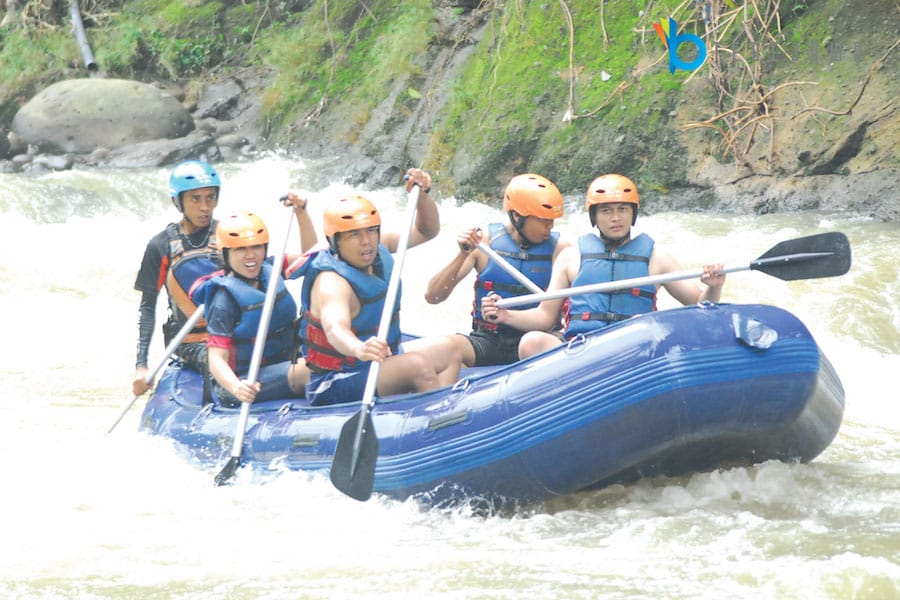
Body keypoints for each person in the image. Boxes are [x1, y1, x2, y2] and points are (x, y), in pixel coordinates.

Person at [482, 173, 726, 359]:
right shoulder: (571, 256)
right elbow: (546, 316)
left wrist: (713, 287)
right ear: (594, 217)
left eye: (623, 209)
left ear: (633, 214)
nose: (616, 218)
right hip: (582, 351)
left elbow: (699, 304)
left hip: (633, 350)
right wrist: (506, 315)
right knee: (531, 342)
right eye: (606, 211)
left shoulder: (657, 257)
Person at [290, 168, 463, 406]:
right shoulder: (331, 282)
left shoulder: (379, 249)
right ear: (335, 241)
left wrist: (423, 197)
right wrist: (359, 348)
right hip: (336, 378)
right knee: (417, 366)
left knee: (451, 349)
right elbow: (335, 328)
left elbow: (427, 231)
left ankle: (442, 410)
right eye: (354, 235)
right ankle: (435, 418)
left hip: (381, 361)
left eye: (371, 230)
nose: (366, 241)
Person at [423, 173, 571, 367]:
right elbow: (433, 296)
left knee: (535, 343)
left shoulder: (561, 250)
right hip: (489, 340)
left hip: (535, 342)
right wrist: (462, 255)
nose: (550, 227)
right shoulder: (483, 243)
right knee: (448, 348)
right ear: (518, 216)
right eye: (543, 221)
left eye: (552, 221)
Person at [190, 198, 318, 406]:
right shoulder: (224, 300)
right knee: (313, 368)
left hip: (285, 363)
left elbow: (313, 255)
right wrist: (237, 387)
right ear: (226, 254)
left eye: (257, 247)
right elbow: (216, 359)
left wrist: (301, 214)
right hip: (244, 381)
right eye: (240, 249)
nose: (251, 256)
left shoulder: (271, 269)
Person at [131, 160, 222, 397]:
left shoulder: (229, 236)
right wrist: (141, 366)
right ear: (178, 201)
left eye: (210, 197)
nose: (205, 207)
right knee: (219, 359)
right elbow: (148, 306)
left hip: (233, 333)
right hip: (192, 342)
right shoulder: (160, 246)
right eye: (195, 198)